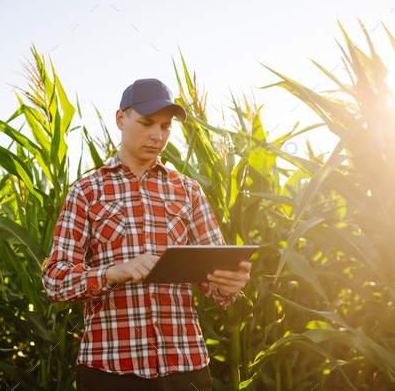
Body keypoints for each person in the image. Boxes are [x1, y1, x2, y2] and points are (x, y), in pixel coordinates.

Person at [41, 78, 251, 391]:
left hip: (184, 368)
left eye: (166, 127)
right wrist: (113, 273)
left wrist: (227, 283)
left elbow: (214, 276)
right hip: (109, 371)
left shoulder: (188, 191)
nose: (157, 135)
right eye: (146, 123)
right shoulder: (86, 192)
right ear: (120, 119)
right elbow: (55, 280)